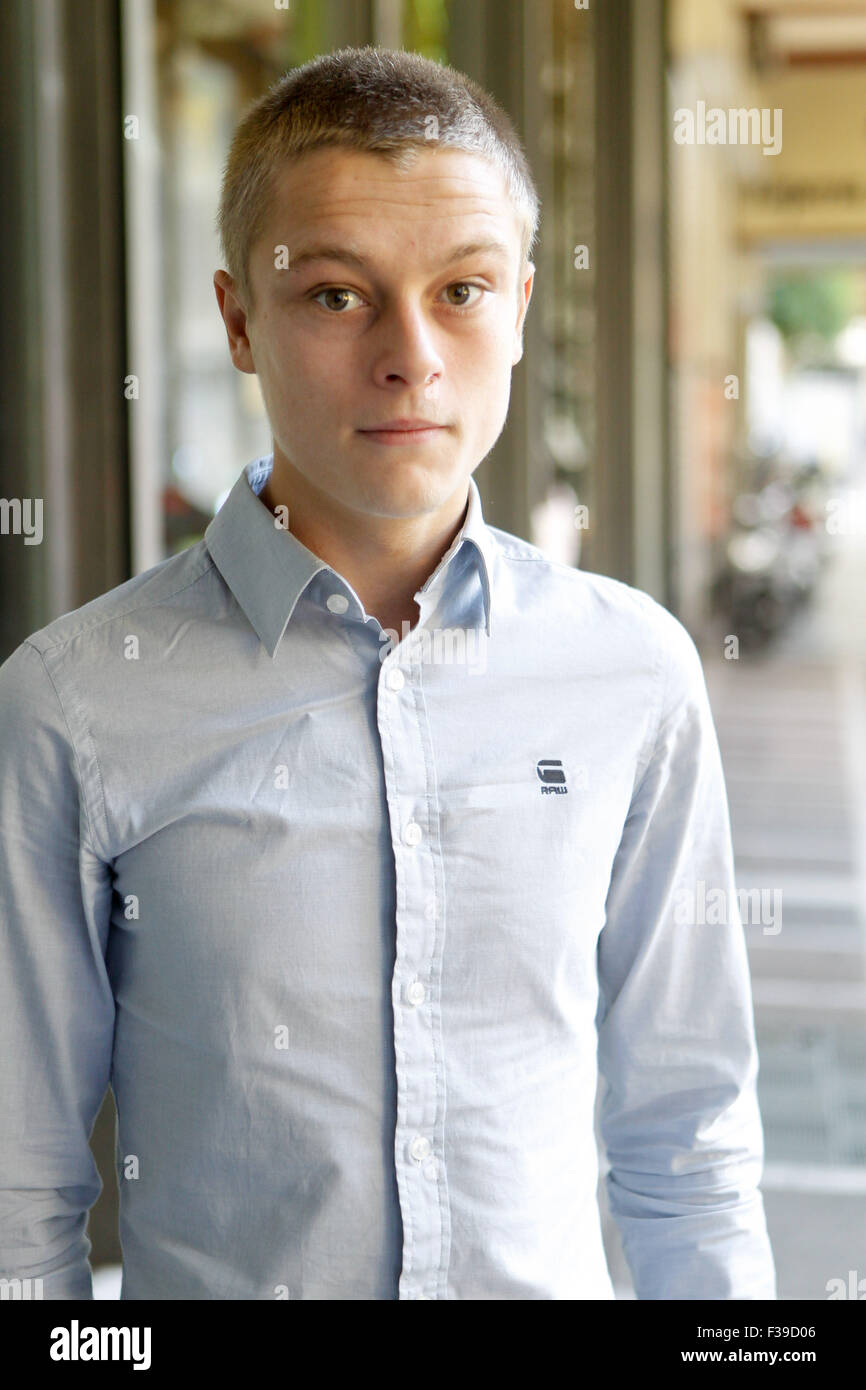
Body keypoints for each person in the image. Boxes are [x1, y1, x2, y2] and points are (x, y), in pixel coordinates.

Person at [0, 45, 776, 1301]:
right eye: (335, 296)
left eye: (461, 290)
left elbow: (686, 1139)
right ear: (240, 319)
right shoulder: (75, 702)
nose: (410, 355)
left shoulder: (629, 673)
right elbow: (17, 1190)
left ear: (520, 306)